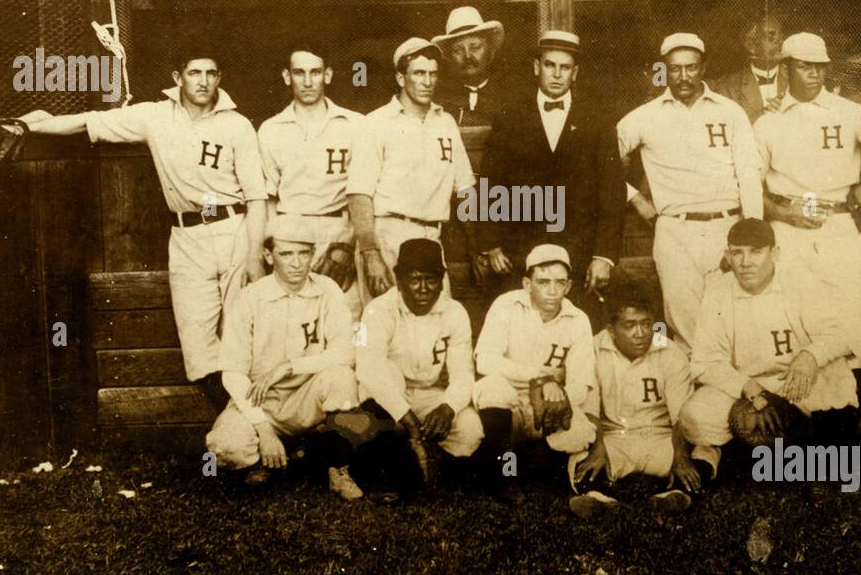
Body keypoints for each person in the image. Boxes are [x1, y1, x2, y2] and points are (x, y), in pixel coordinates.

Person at [24, 52, 267, 410]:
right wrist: (27, 126)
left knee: (243, 338)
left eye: (211, 73)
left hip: (234, 227)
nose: (203, 81)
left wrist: (254, 255)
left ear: (220, 77)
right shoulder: (154, 116)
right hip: (187, 235)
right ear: (177, 76)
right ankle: (247, 430)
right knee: (199, 349)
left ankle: (257, 438)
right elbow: (89, 121)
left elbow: (258, 197)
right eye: (194, 72)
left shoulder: (237, 125)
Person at [754, 32, 861, 368]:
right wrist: (783, 214)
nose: (815, 74)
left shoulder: (849, 111)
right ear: (786, 69)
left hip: (838, 225)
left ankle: (844, 413)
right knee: (794, 322)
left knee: (847, 322)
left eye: (820, 66)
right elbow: (748, 186)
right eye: (805, 67)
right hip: (789, 230)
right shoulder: (767, 121)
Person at [679, 218, 860, 482]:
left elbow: (842, 333)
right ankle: (775, 455)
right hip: (749, 385)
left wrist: (810, 356)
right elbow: (706, 361)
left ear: (774, 253)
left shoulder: (800, 280)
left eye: (756, 251)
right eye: (737, 252)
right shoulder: (718, 290)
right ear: (727, 256)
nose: (745, 262)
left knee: (837, 381)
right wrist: (747, 387)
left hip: (796, 378)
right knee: (696, 415)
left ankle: (825, 468)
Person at [617, 32, 763, 351]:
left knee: (734, 320)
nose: (683, 77)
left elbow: (749, 175)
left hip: (726, 228)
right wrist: (635, 198)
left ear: (703, 68)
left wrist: (749, 235)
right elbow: (601, 163)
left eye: (691, 68)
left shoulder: (730, 111)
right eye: (675, 69)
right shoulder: (645, 116)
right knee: (686, 328)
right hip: (675, 232)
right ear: (664, 70)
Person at [204, 214, 368, 494]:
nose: (296, 263)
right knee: (223, 448)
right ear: (268, 255)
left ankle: (336, 465)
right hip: (261, 400)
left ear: (313, 254)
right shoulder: (249, 297)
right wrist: (264, 429)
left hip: (306, 398)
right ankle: (267, 459)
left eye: (304, 253)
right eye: (286, 253)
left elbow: (345, 352)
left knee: (341, 379)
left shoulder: (327, 289)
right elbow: (233, 372)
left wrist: (290, 366)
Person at [473, 29, 626, 329]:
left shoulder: (598, 117)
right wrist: (491, 244)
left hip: (578, 254)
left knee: (579, 332)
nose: (556, 74)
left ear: (575, 72)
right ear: (536, 67)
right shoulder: (511, 115)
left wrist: (604, 256)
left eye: (565, 67)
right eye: (549, 65)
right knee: (519, 332)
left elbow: (612, 190)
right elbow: (490, 184)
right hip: (521, 250)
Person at [346, 37, 476, 301]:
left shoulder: (446, 122)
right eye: (419, 73)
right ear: (401, 78)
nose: (428, 82)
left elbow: (465, 188)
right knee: (381, 327)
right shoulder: (376, 123)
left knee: (434, 327)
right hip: (388, 238)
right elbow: (359, 195)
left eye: (433, 74)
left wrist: (480, 246)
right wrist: (370, 253)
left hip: (431, 238)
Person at [354, 239, 483, 501]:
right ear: (399, 279)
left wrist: (447, 408)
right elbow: (368, 370)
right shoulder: (376, 309)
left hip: (430, 394)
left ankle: (429, 458)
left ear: (442, 278)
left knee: (470, 431)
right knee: (383, 382)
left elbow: (462, 374)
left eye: (431, 279)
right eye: (414, 280)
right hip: (388, 397)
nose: (423, 289)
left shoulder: (455, 312)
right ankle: (389, 467)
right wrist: (409, 421)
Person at [473, 244, 596, 500]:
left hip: (548, 406)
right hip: (509, 404)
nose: (552, 290)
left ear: (569, 286)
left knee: (580, 431)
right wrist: (540, 377)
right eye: (543, 281)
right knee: (491, 387)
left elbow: (581, 383)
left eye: (559, 282)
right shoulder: (506, 304)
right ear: (527, 284)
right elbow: (485, 360)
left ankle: (534, 467)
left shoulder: (578, 318)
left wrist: (559, 399)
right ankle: (505, 477)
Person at [568, 288, 697, 519]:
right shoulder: (593, 348)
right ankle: (598, 497)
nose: (641, 333)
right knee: (580, 452)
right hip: (613, 436)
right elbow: (589, 411)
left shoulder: (669, 350)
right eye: (629, 325)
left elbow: (681, 415)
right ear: (611, 329)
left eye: (646, 324)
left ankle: (673, 494)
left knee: (702, 448)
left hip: (660, 435)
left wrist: (681, 457)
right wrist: (598, 450)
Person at [258, 44, 364, 317]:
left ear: (327, 75)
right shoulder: (271, 129)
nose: (307, 82)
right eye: (299, 73)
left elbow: (365, 193)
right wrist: (276, 246)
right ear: (286, 76)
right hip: (291, 233)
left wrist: (347, 247)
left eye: (315, 72)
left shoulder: (354, 124)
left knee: (347, 318)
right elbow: (269, 200)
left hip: (339, 230)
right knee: (296, 319)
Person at [431, 6, 511, 127]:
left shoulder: (510, 97)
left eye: (475, 47)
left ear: (490, 51)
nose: (468, 56)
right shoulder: (436, 102)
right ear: (449, 57)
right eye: (458, 50)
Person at [708, 14, 785, 122]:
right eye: (771, 35)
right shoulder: (727, 87)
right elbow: (726, 127)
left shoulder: (796, 78)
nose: (780, 41)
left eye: (781, 35)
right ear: (751, 45)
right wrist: (762, 118)